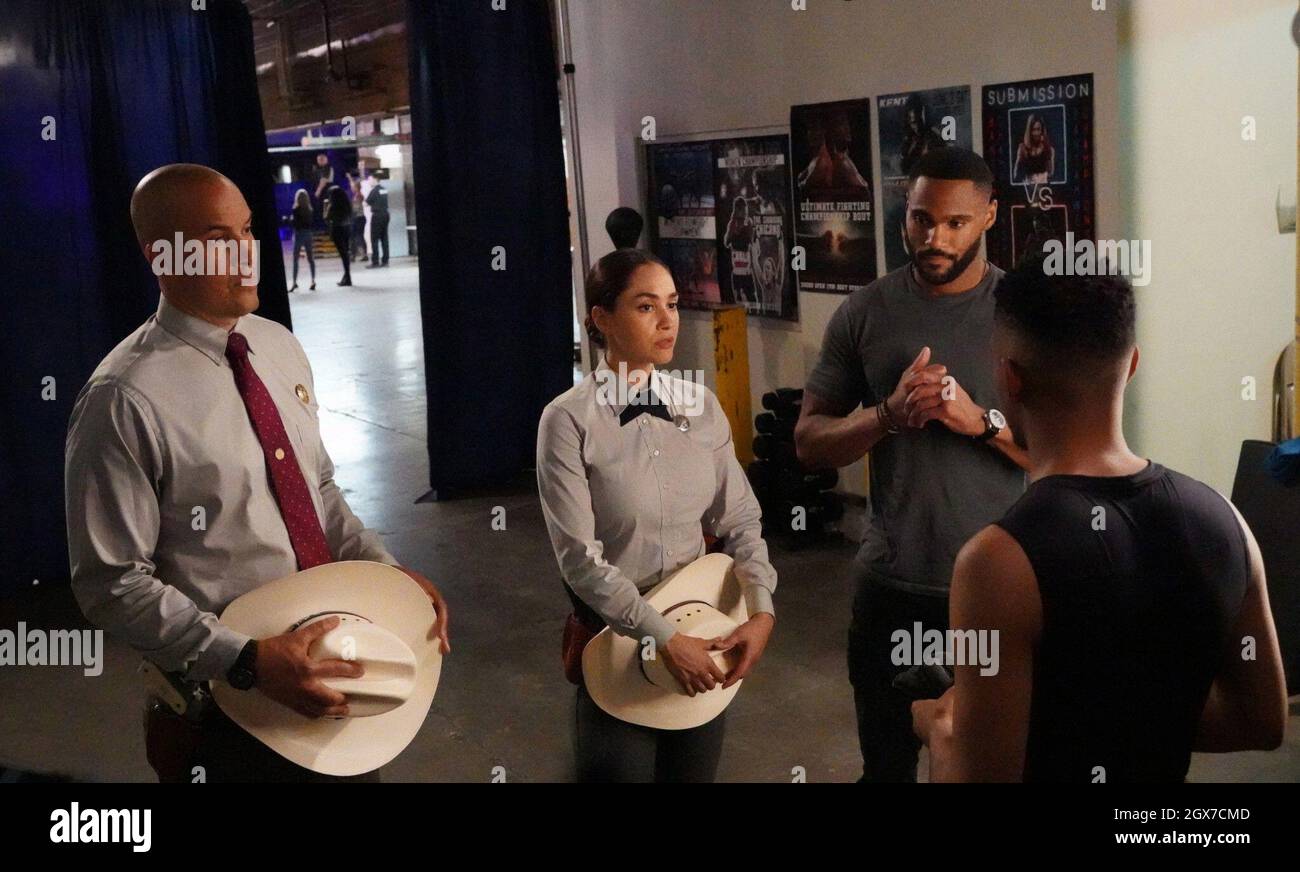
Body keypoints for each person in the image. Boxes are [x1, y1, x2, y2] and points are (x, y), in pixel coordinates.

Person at [64, 163, 451, 782]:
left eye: (248, 231)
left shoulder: (277, 347)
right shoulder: (124, 398)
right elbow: (110, 582)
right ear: (160, 254)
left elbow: (318, 490)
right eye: (220, 240)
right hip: (223, 718)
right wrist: (246, 660)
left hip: (331, 680)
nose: (249, 253)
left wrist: (387, 572)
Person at [912, 261, 1288, 782]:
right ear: (1132, 364)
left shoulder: (995, 562)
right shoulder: (1226, 522)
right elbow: (1262, 723)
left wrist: (943, 726)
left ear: (1008, 377)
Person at [794, 147, 1031, 782]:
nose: (934, 237)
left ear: (988, 217)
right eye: (922, 219)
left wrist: (981, 422)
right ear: (905, 215)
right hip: (893, 587)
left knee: (991, 768)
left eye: (955, 223)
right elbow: (809, 442)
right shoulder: (864, 312)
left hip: (997, 594)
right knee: (887, 767)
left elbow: (1062, 454)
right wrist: (887, 415)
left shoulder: (1025, 314)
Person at [536, 248, 778, 782]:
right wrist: (662, 639)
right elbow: (581, 560)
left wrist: (761, 611)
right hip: (618, 648)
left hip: (705, 641)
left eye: (671, 303)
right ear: (602, 319)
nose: (668, 320)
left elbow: (739, 520)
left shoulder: (701, 405)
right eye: (646, 307)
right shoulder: (567, 421)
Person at [323, 183, 353, 286]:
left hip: (337, 230)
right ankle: (347, 276)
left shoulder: (332, 206)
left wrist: (325, 206)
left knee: (343, 254)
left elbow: (326, 218)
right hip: (347, 228)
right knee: (346, 253)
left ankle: (347, 277)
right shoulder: (346, 204)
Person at [1012, 114, 1055, 185]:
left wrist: (1048, 155)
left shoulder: (1048, 149)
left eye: (1038, 129)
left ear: (1042, 130)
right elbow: (1015, 175)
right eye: (1033, 130)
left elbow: (1051, 173)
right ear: (1029, 131)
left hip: (1043, 188)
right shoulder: (1022, 148)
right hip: (1027, 189)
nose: (1036, 133)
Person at [288, 188, 315, 292]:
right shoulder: (310, 210)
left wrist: (291, 219)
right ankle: (313, 280)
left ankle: (294, 282)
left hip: (299, 234)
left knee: (295, 259)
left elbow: (295, 225)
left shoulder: (296, 210)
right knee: (310, 258)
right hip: (308, 234)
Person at [365, 175, 390, 267]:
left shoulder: (374, 190)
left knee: (374, 238)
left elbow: (366, 203)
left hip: (377, 215)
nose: (369, 182)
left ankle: (375, 262)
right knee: (384, 238)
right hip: (386, 214)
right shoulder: (384, 189)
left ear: (375, 180)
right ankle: (385, 261)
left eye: (370, 180)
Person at [349, 174, 369, 263]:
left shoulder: (358, 196)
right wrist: (350, 178)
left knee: (357, 236)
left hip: (358, 218)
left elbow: (355, 209)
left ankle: (357, 254)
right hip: (360, 218)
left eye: (353, 187)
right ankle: (360, 254)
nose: (351, 188)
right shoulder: (357, 195)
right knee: (358, 236)